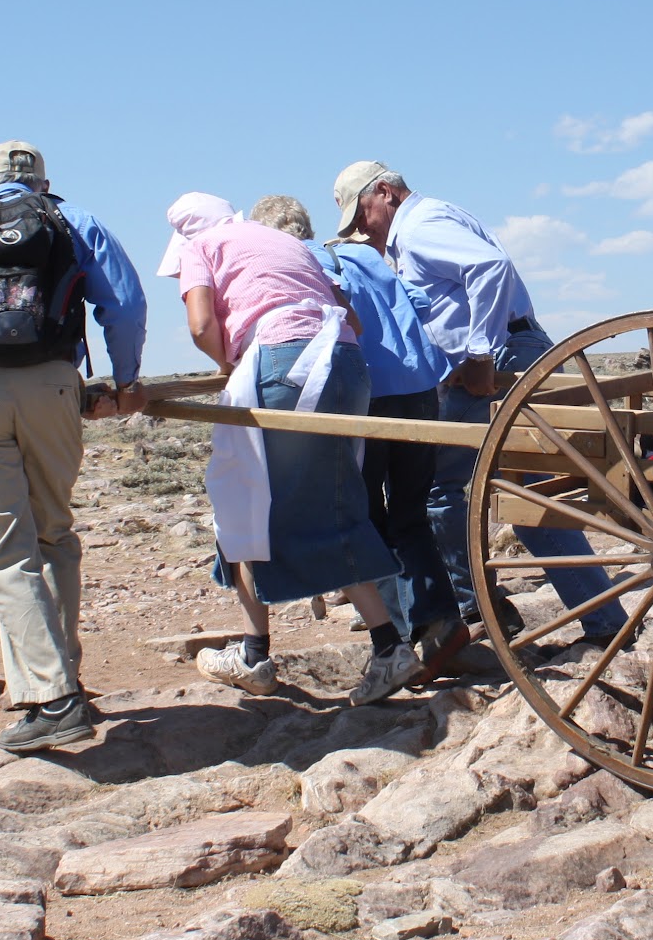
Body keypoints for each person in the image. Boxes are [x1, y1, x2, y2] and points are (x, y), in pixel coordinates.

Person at [330, 162, 629, 655]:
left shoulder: (419, 227)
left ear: (384, 192)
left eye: (361, 214)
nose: (362, 228)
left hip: (499, 361)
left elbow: (491, 267)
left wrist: (479, 354)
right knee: (529, 497)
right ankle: (603, 621)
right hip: (516, 350)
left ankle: (475, 610)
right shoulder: (427, 221)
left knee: (436, 489)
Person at [0, 140, 147, 753]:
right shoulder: (74, 220)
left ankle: (52, 697)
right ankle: (60, 683)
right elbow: (124, 304)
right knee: (51, 534)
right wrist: (126, 381)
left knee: (3, 552)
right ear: (43, 182)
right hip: (52, 383)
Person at [159, 193, 411, 706]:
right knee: (333, 504)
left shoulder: (200, 245)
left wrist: (231, 364)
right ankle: (389, 646)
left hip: (284, 365)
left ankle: (255, 654)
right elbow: (353, 320)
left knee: (243, 498)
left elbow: (202, 325)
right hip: (344, 360)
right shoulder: (281, 241)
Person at [246, 195, 455, 653]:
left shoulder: (298, 264)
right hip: (419, 385)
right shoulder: (362, 254)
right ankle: (440, 621)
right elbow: (418, 300)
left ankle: (400, 639)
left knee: (366, 516)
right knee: (411, 513)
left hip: (368, 394)